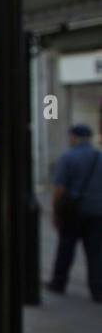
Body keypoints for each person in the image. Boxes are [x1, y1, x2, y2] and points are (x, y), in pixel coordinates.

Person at [47, 123, 102, 301]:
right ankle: (98, 290)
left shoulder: (67, 158)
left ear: (74, 137)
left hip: (73, 212)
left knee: (66, 249)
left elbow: (59, 189)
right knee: (95, 253)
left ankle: (58, 283)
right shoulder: (99, 157)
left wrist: (55, 213)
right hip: (97, 212)